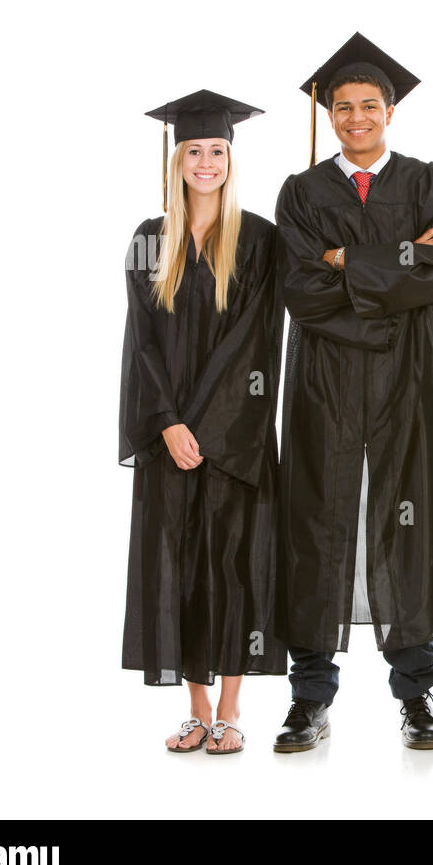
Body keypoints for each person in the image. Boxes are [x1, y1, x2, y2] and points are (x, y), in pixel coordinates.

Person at [272, 32, 433, 752]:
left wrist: (347, 259)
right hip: (323, 379)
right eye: (343, 107)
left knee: (404, 521)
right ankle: (308, 696)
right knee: (318, 518)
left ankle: (417, 692)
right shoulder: (301, 192)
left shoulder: (426, 182)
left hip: (409, 375)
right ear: (329, 114)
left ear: (391, 111)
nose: (356, 118)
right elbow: (300, 290)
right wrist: (391, 281)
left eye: (369, 105)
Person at [119, 90, 287, 754]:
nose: (207, 161)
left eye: (217, 150)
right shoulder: (148, 240)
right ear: (177, 157)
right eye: (195, 150)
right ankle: (194, 707)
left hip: (234, 440)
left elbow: (253, 344)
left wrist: (206, 428)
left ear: (231, 157)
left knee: (233, 565)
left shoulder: (260, 241)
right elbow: (141, 342)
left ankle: (233, 706)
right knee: (180, 565)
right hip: (170, 441)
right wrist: (166, 423)